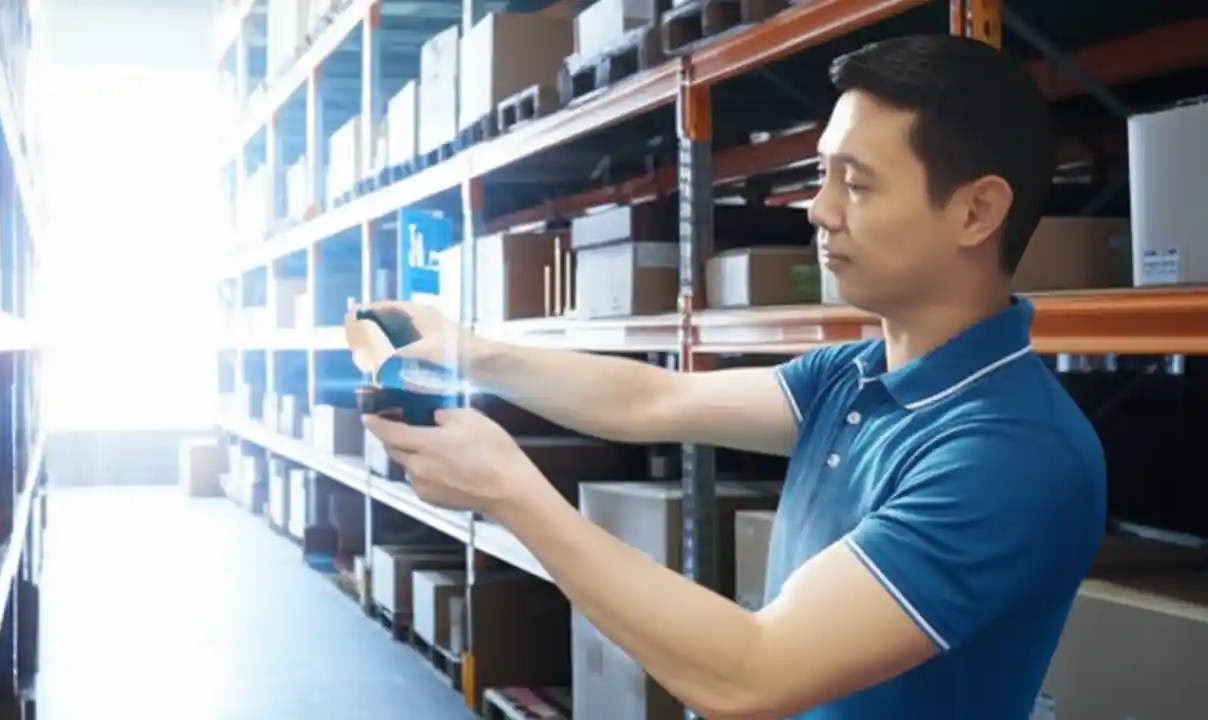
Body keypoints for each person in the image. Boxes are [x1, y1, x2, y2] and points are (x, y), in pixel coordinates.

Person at [356, 34, 1106, 720]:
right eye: (822, 175)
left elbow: (753, 672)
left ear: (976, 212)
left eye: (858, 184)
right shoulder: (848, 378)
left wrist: (508, 493)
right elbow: (655, 398)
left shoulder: (1011, 453)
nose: (818, 210)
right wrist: (470, 352)